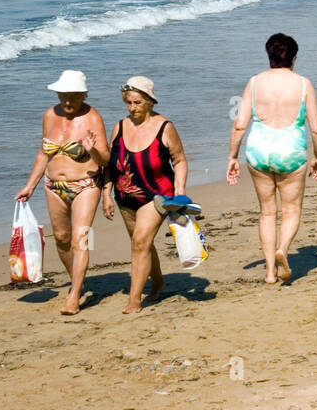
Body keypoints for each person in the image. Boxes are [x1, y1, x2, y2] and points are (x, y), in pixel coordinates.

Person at [227, 34, 317, 284]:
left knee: (267, 213)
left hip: (258, 151)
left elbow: (239, 125)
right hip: (291, 152)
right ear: (294, 58)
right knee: (291, 209)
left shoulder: (255, 82)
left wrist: (233, 157)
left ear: (269, 56)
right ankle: (283, 248)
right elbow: (316, 129)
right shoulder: (304, 84)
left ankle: (270, 271)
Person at [15, 70, 110, 314]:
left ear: (84, 94)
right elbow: (43, 153)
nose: (67, 102)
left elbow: (106, 160)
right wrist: (30, 185)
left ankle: (75, 295)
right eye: (63, 96)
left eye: (73, 96)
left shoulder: (92, 117)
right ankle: (77, 281)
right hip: (53, 186)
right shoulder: (49, 115)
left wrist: (92, 151)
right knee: (61, 239)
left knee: (81, 239)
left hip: (85, 186)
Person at [106, 77, 190, 314]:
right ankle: (159, 282)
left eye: (138, 103)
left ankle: (134, 301)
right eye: (129, 103)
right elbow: (109, 164)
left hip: (157, 195)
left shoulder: (165, 127)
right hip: (124, 196)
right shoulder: (120, 127)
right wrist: (105, 193)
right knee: (141, 243)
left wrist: (180, 191)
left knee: (140, 242)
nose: (132, 108)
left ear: (150, 102)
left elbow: (180, 160)